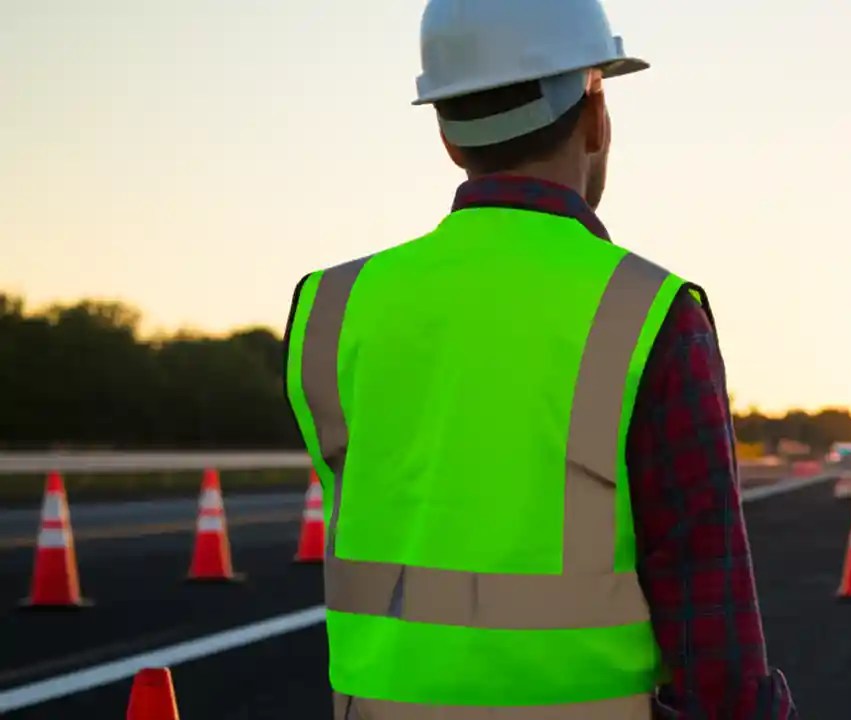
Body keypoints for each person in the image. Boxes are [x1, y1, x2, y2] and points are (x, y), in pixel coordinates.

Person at [283, 0, 797, 717]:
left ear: (448, 136)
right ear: (595, 115)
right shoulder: (648, 312)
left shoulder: (332, 307)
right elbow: (706, 603)